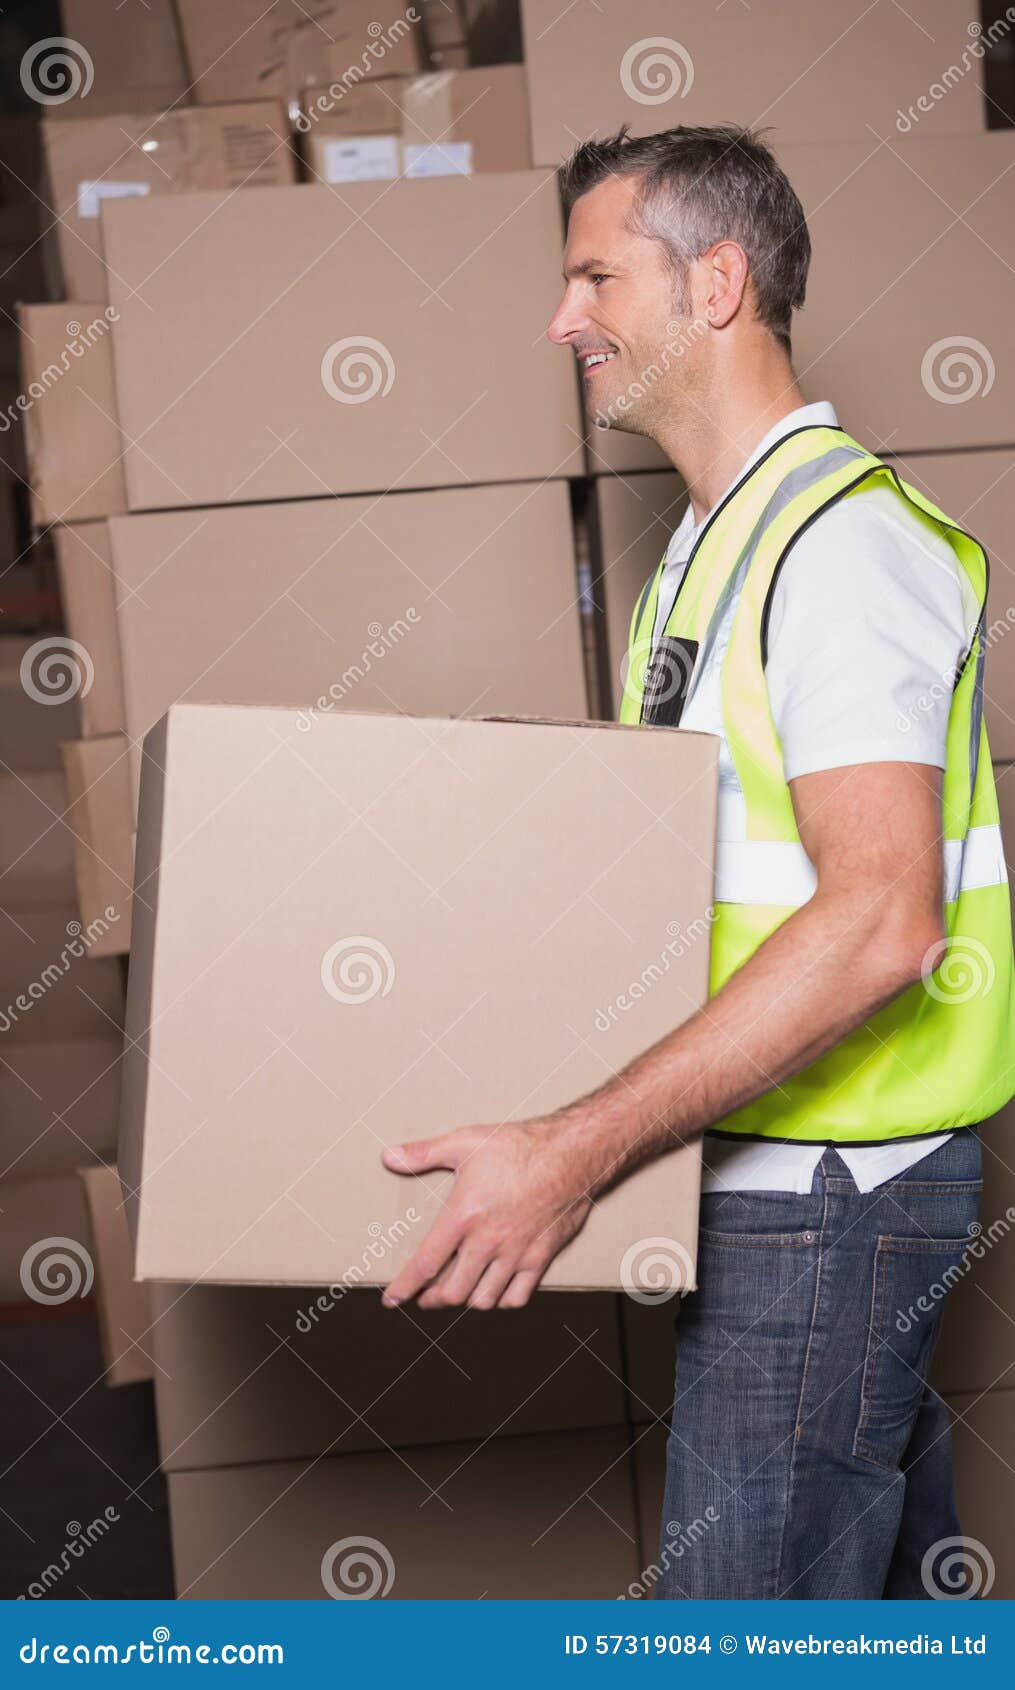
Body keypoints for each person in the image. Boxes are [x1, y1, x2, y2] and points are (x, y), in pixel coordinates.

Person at [378, 126, 1014, 1599]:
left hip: (831, 1186)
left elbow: (879, 919)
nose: (563, 320)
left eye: (595, 275)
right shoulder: (706, 551)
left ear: (716, 282)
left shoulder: (834, 550)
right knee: (878, 1604)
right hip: (775, 1179)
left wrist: (576, 1148)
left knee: (740, 1631)